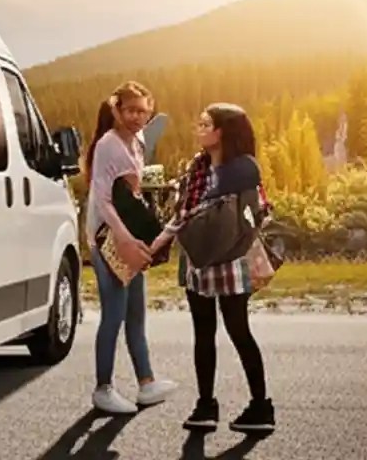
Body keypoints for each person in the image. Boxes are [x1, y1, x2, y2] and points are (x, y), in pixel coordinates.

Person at [148, 103, 275, 434]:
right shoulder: (198, 167)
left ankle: (261, 406)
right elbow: (183, 215)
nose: (199, 129)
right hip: (200, 258)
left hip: (232, 258)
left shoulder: (244, 169)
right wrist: (158, 242)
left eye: (205, 124)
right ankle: (206, 405)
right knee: (203, 333)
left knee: (238, 330)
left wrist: (161, 240)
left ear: (222, 131)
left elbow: (256, 211)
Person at [83, 81, 178, 414]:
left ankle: (146, 383)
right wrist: (124, 238)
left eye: (143, 111)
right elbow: (104, 200)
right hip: (107, 237)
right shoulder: (109, 144)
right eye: (132, 110)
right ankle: (103, 388)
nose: (138, 117)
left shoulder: (136, 141)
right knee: (114, 313)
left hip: (127, 234)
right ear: (117, 110)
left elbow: (130, 191)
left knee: (136, 312)